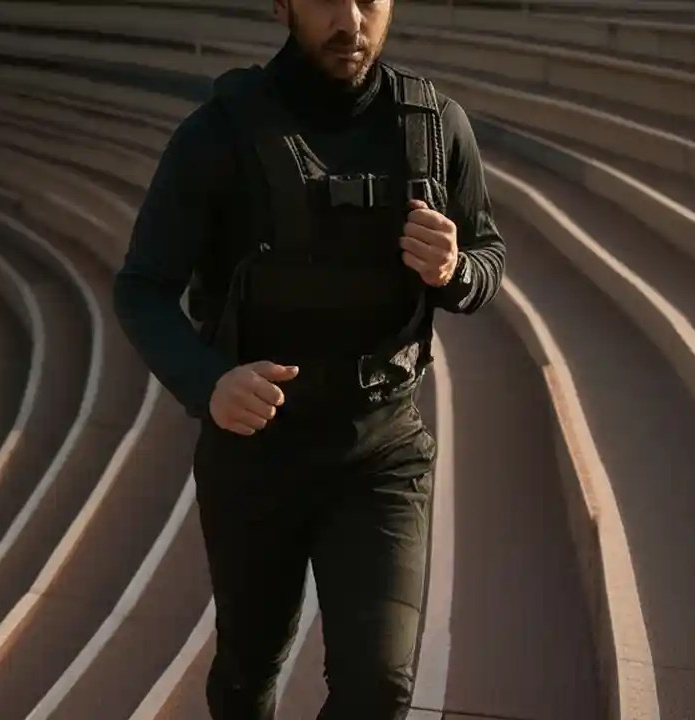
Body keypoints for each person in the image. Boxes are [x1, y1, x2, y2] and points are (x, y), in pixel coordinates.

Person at [112, 0, 505, 717]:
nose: (351, 21)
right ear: (283, 3)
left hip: (382, 451)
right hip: (256, 457)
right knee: (249, 669)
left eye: (369, 0)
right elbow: (141, 289)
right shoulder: (218, 135)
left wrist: (456, 270)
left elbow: (485, 257)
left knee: (377, 687)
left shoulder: (434, 124)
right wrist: (208, 383)